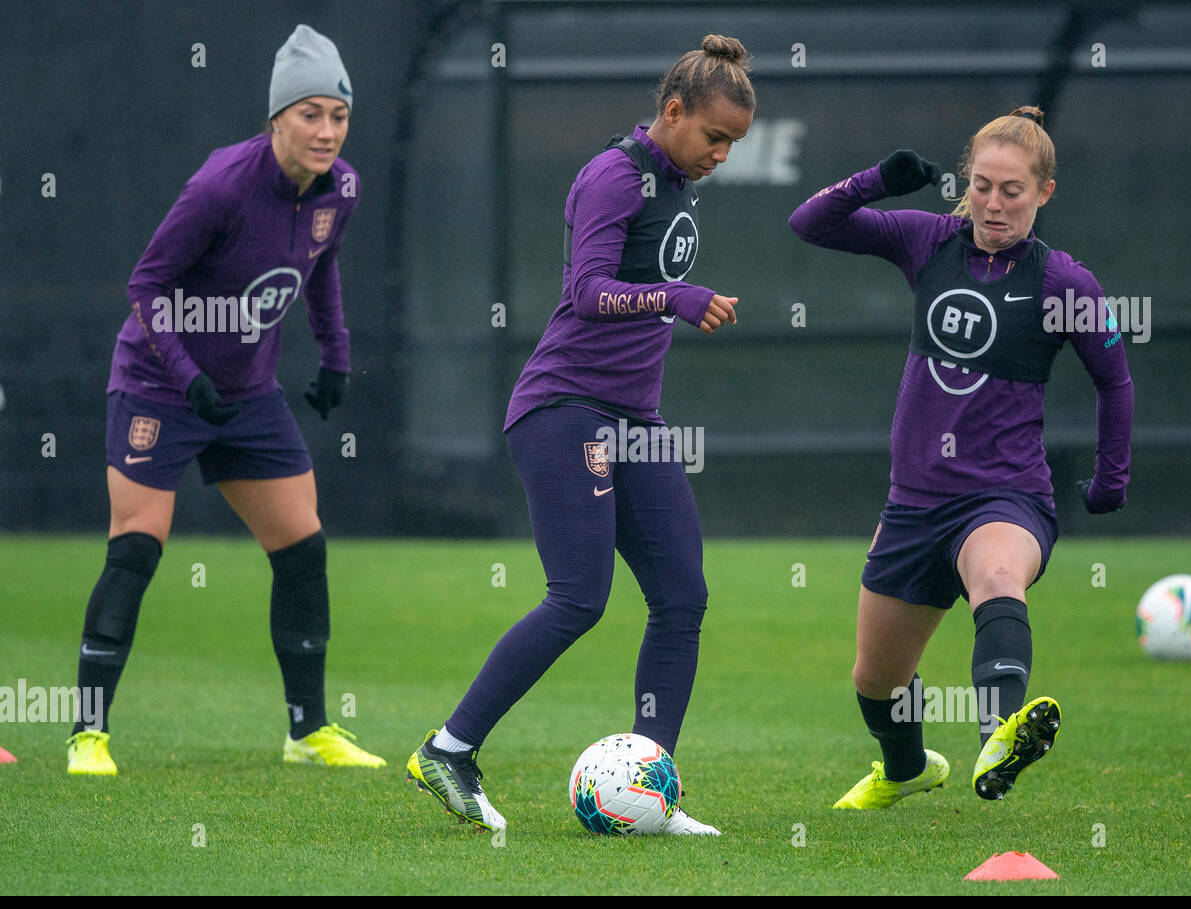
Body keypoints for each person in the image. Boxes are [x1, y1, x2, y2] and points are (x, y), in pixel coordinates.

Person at [405, 35, 755, 834]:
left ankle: (651, 788)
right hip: (566, 408)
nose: (722, 155)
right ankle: (448, 750)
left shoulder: (675, 178)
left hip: (635, 419)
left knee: (681, 597)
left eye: (733, 143)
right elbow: (589, 292)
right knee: (579, 597)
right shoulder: (612, 175)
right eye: (714, 137)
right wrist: (677, 296)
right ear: (673, 112)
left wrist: (671, 295)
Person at [789, 106, 1132, 807]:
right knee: (875, 678)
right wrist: (876, 180)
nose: (994, 203)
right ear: (964, 184)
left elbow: (1114, 380)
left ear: (1044, 193)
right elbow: (810, 222)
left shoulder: (1066, 283)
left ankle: (998, 733)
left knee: (997, 574)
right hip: (914, 501)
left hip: (1004, 495)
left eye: (1012, 189)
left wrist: (1110, 476)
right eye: (982, 185)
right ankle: (907, 766)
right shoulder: (927, 242)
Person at [66, 24, 384, 775]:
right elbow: (145, 285)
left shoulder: (341, 189)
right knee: (137, 547)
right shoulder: (221, 186)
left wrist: (336, 358)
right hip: (158, 384)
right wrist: (185, 376)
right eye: (311, 114)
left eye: (338, 116)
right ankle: (87, 734)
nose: (327, 130)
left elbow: (323, 267)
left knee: (302, 548)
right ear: (276, 118)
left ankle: (306, 733)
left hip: (245, 394)